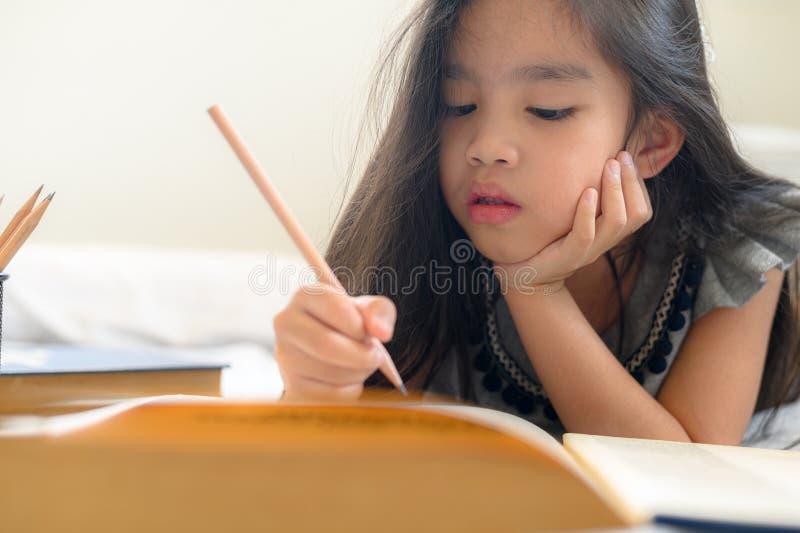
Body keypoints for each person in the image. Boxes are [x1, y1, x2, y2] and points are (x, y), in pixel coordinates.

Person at [271, 0, 800, 445]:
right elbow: (322, 469)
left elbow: (685, 481)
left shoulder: (740, 245)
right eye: (460, 106)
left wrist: (535, 288)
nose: (485, 147)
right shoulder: (419, 240)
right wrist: (308, 388)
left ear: (652, 141)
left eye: (547, 110)